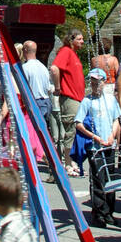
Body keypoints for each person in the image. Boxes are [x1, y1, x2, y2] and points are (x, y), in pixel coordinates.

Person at [75, 69, 121, 227]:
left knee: (110, 178)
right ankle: (99, 212)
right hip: (95, 146)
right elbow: (79, 123)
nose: (96, 86)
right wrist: (93, 136)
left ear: (104, 82)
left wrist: (112, 136)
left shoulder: (110, 100)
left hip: (108, 144)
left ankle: (109, 211)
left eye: (99, 83)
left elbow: (116, 119)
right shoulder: (87, 101)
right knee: (98, 179)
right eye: (93, 83)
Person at [50, 30, 86, 178]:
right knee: (71, 130)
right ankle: (67, 162)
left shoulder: (73, 54)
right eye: (80, 39)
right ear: (71, 40)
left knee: (74, 130)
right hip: (70, 98)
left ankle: (70, 161)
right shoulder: (65, 51)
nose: (83, 41)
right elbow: (54, 68)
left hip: (77, 98)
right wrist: (58, 88)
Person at [20, 40, 53, 131]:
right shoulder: (43, 67)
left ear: (25, 50)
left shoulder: (25, 68)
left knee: (35, 131)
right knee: (44, 130)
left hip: (35, 102)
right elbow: (48, 87)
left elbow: (23, 88)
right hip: (46, 101)